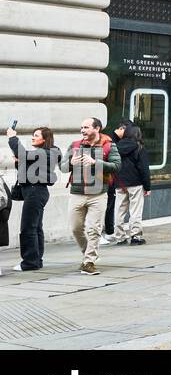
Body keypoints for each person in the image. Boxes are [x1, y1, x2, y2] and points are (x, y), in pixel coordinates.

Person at [59, 118, 122, 276]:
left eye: (86, 127)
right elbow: (63, 167)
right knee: (75, 228)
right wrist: (71, 163)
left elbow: (117, 166)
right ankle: (88, 253)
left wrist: (96, 162)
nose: (82, 130)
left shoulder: (109, 145)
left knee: (94, 229)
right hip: (77, 193)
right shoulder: (74, 146)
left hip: (98, 194)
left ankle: (89, 262)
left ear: (97, 128)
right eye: (81, 127)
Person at [6, 125, 60, 271]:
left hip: (36, 192)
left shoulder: (48, 153)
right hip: (33, 191)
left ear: (45, 139)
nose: (33, 137)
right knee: (35, 228)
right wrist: (19, 162)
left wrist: (12, 137)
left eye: (36, 135)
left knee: (28, 228)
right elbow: (28, 167)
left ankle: (29, 262)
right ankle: (35, 260)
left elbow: (22, 153)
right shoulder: (40, 154)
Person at [108, 122, 152, 245]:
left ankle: (120, 237)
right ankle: (135, 236)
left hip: (120, 183)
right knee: (135, 211)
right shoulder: (139, 148)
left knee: (119, 211)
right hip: (135, 183)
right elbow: (144, 169)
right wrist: (147, 186)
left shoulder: (116, 147)